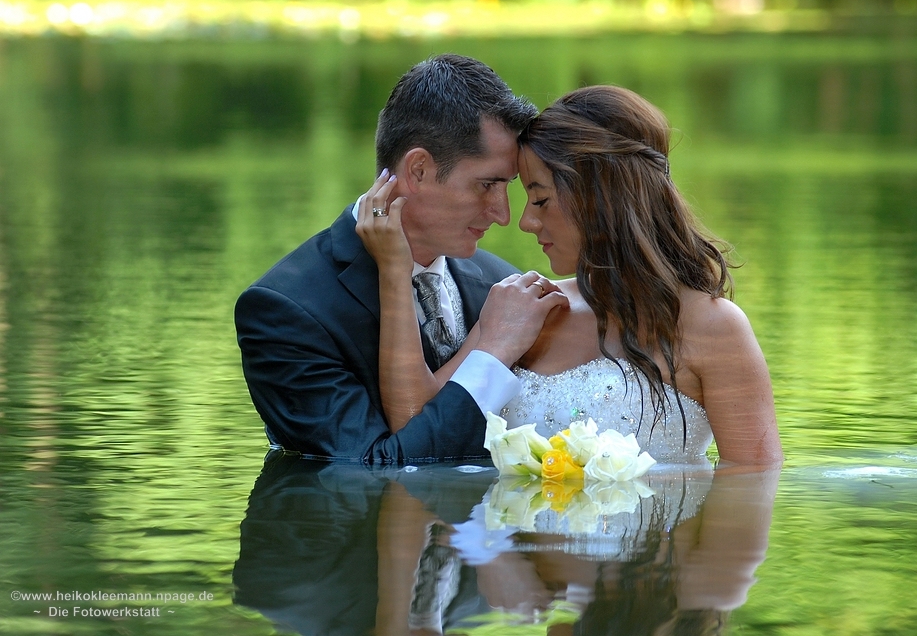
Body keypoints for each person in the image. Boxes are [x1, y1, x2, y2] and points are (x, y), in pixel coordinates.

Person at [360, 85, 782, 466]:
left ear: (600, 199)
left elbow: (752, 487)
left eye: (540, 200)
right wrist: (395, 273)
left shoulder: (714, 327)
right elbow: (414, 427)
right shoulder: (525, 308)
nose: (523, 221)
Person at [234, 54, 567, 464]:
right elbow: (381, 466)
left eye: (508, 187)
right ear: (419, 170)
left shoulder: (504, 284)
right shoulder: (285, 311)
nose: (503, 214)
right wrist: (492, 350)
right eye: (486, 185)